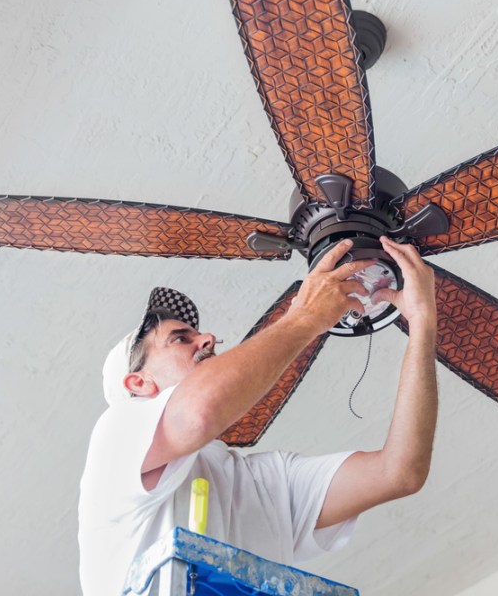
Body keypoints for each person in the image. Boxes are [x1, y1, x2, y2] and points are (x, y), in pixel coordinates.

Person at [77, 237, 438, 596]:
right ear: (139, 384)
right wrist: (306, 316)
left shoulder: (258, 483)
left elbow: (399, 472)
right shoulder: (116, 438)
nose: (208, 338)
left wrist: (422, 322)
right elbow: (198, 413)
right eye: (179, 339)